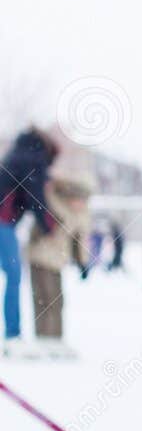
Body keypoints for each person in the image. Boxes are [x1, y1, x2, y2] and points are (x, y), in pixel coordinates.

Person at [26, 155, 93, 358]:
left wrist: (83, 264)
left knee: (57, 299)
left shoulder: (82, 216)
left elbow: (79, 241)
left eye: (82, 200)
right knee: (42, 298)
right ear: (69, 196)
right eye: (75, 198)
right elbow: (49, 190)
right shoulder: (55, 204)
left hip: (57, 261)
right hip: (39, 257)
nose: (78, 203)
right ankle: (43, 338)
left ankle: (56, 339)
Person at [1, 128, 58, 357]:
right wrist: (49, 227)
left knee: (12, 274)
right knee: (14, 274)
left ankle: (12, 333)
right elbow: (37, 199)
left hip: (5, 223)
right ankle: (12, 334)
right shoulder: (34, 158)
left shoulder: (18, 154)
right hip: (2, 223)